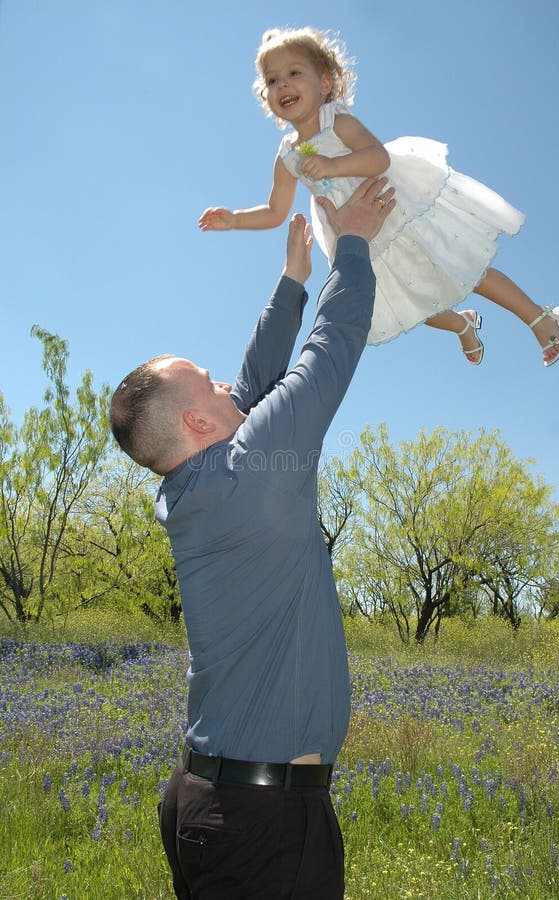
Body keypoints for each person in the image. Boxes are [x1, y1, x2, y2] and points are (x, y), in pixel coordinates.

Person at [110, 176, 396, 899]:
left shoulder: (192, 488)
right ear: (198, 426)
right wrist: (353, 244)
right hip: (260, 823)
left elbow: (251, 382)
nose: (225, 384)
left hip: (211, 801)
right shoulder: (253, 477)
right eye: (205, 383)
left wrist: (292, 280)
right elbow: (324, 359)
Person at [198, 26, 559, 368]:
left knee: (466, 273)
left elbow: (378, 157)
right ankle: (462, 325)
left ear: (325, 82)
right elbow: (275, 211)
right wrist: (234, 219)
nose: (283, 85)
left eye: (295, 73)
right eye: (273, 80)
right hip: (357, 234)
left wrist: (332, 166)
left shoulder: (335, 122)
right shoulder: (287, 155)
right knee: (409, 299)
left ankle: (538, 317)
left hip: (391, 208)